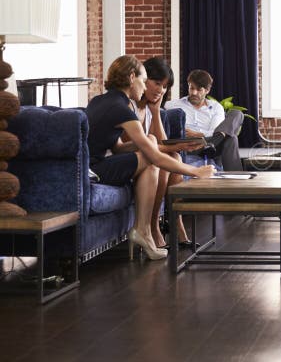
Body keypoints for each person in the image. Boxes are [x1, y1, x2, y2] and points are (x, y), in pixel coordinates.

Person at [86, 56, 215, 260]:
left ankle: (145, 230)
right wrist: (196, 171)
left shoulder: (104, 100)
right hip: (94, 171)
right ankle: (144, 230)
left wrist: (151, 140)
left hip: (96, 166)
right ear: (131, 78)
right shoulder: (121, 108)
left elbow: (118, 148)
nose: (145, 85)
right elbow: (153, 156)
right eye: (143, 79)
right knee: (151, 160)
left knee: (152, 149)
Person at [123, 57, 205, 249]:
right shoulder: (129, 106)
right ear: (143, 80)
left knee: (174, 157)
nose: (161, 90)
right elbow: (137, 146)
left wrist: (157, 111)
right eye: (157, 83)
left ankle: (175, 225)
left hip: (144, 158)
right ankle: (153, 225)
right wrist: (173, 148)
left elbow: (160, 143)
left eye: (165, 86)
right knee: (165, 160)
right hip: (127, 160)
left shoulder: (149, 108)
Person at [165, 69, 244, 171]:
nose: (193, 92)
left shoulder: (216, 107)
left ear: (207, 90)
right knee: (231, 138)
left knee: (237, 114)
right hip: (185, 145)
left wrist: (199, 134)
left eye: (199, 90)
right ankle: (237, 180)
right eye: (191, 88)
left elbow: (216, 130)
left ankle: (236, 181)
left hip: (208, 144)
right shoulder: (172, 105)